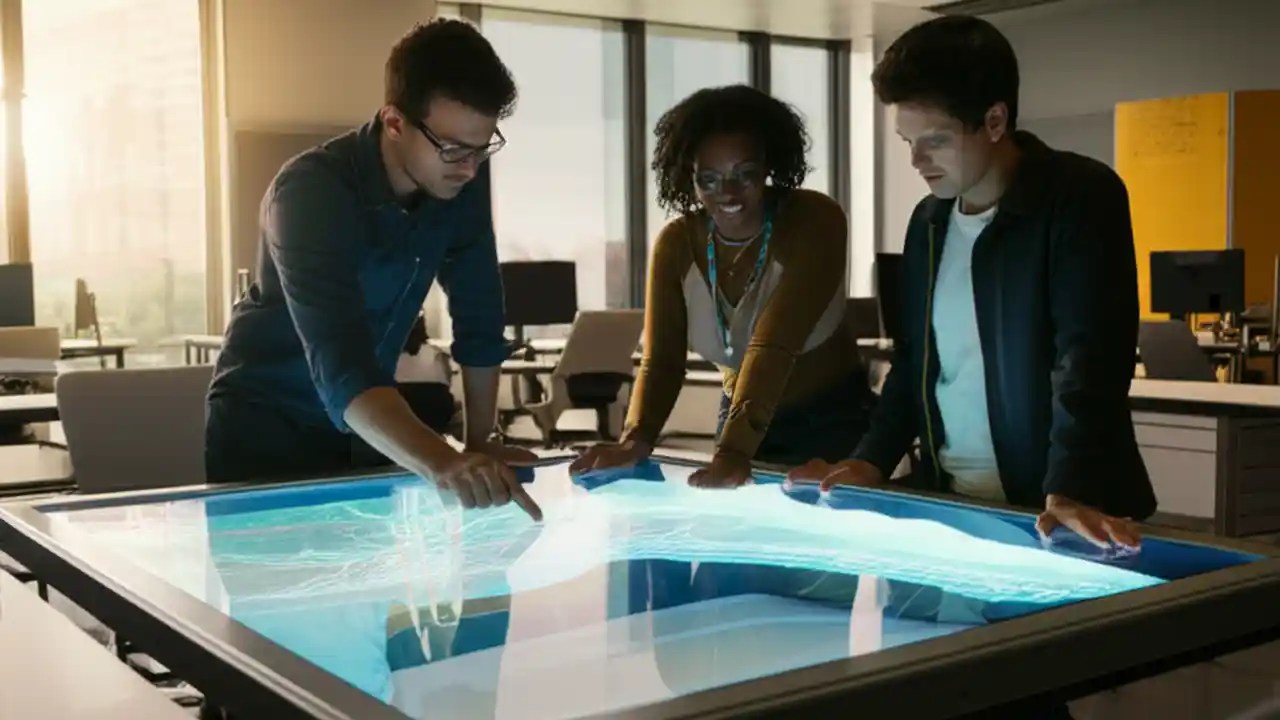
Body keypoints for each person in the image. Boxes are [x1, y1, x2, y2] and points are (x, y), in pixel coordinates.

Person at [789, 15, 1157, 552]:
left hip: (1067, 513)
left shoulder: (1079, 196)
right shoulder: (929, 222)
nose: (916, 160)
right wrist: (871, 459)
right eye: (907, 140)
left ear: (993, 119)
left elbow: (1088, 363)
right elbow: (915, 363)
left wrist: (1069, 490)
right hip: (955, 505)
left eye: (934, 140)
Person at [205, 19, 540, 520]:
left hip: (369, 427)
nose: (470, 169)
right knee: (274, 594)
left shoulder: (460, 178)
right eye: (453, 149)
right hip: (267, 430)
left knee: (365, 590)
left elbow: (479, 314)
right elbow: (342, 365)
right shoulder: (309, 192)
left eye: (482, 147)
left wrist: (480, 441)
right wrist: (445, 462)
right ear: (394, 123)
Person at [572, 85, 875, 487]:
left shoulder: (813, 219)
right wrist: (635, 440)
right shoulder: (676, 244)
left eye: (744, 175)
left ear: (768, 165)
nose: (727, 194)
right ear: (688, 178)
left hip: (833, 424)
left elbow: (773, 345)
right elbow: (662, 362)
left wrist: (732, 452)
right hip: (738, 421)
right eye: (709, 179)